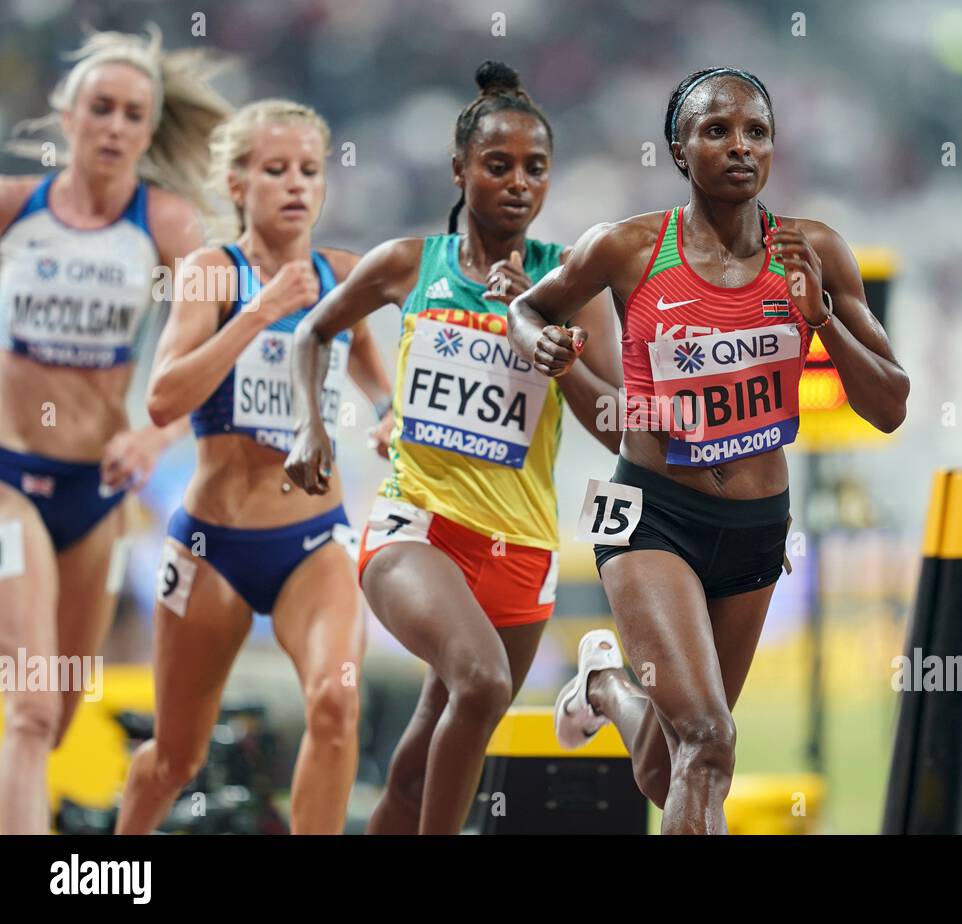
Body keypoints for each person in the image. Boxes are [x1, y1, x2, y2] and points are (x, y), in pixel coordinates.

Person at [508, 67, 910, 834]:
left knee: (672, 770)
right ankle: (615, 693)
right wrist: (546, 344)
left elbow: (889, 406)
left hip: (757, 530)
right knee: (710, 738)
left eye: (755, 131)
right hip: (652, 516)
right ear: (678, 150)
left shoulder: (817, 249)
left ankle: (604, 691)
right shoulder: (626, 249)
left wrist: (820, 317)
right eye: (716, 131)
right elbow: (530, 309)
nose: (739, 147)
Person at [285, 61, 621, 835]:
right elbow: (314, 331)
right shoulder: (411, 264)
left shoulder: (571, 283)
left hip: (524, 551)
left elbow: (616, 425)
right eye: (497, 165)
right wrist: (316, 423)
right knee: (478, 682)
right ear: (460, 168)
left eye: (535, 168)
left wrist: (545, 341)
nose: (518, 184)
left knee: (412, 774)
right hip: (418, 531)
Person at [115, 99, 392, 835]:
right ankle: (112, 864)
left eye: (309, 170)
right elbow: (163, 397)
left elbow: (369, 362)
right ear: (238, 186)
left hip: (315, 540)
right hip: (214, 545)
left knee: (335, 706)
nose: (297, 184)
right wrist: (257, 314)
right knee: (176, 757)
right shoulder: (211, 272)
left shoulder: (341, 273)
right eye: (276, 170)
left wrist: (389, 411)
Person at [0, 26, 230, 835]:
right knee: (27, 708)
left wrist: (155, 436)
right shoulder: (14, 205)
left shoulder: (165, 227)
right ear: (67, 113)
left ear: (148, 128)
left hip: (96, 494)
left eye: (135, 115)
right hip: (6, 481)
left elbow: (212, 359)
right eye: (101, 108)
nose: (116, 128)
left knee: (58, 711)